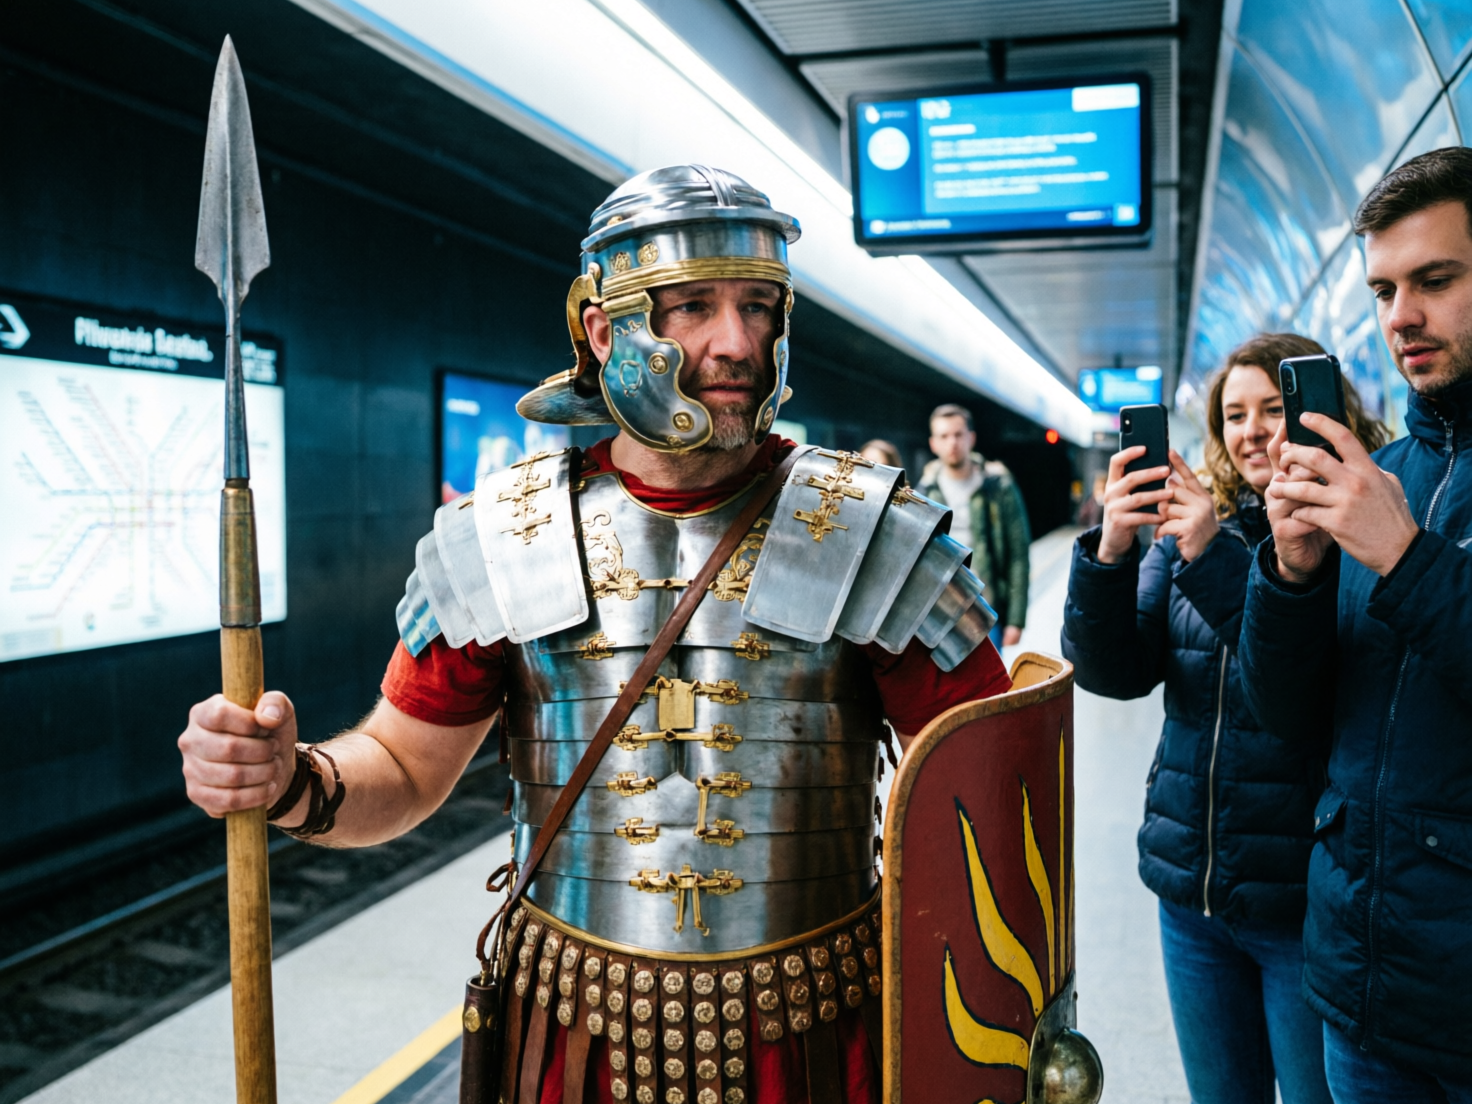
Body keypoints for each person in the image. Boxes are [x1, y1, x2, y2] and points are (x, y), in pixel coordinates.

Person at [176, 165, 1012, 1104]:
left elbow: (993, 811)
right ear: (604, 330)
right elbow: (406, 771)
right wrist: (290, 781)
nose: (736, 342)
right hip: (573, 1045)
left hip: (813, 1038)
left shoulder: (869, 531)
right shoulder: (503, 534)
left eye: (759, 307)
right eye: (691, 306)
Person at [1061, 333, 1387, 1104]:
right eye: (1234, 414)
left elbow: (1299, 690)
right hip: (1192, 894)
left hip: (1303, 903)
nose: (1252, 431)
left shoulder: (1357, 534)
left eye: (1274, 409)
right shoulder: (1187, 537)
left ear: (1321, 414)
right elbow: (1116, 673)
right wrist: (1112, 549)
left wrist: (1210, 552)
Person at [1238, 148, 1472, 1102]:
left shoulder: (1386, 507)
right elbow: (1292, 718)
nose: (1400, 318)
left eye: (1436, 280)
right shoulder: (1388, 476)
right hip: (1361, 984)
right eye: (1382, 290)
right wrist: (1290, 577)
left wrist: (1410, 561)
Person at [917, 404, 1031, 649]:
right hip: (938, 609)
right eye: (944, 436)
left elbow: (1018, 555)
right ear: (933, 444)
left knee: (990, 686)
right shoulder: (925, 491)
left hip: (986, 606)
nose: (952, 443)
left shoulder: (998, 487)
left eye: (958, 434)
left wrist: (1016, 619)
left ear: (971, 438)